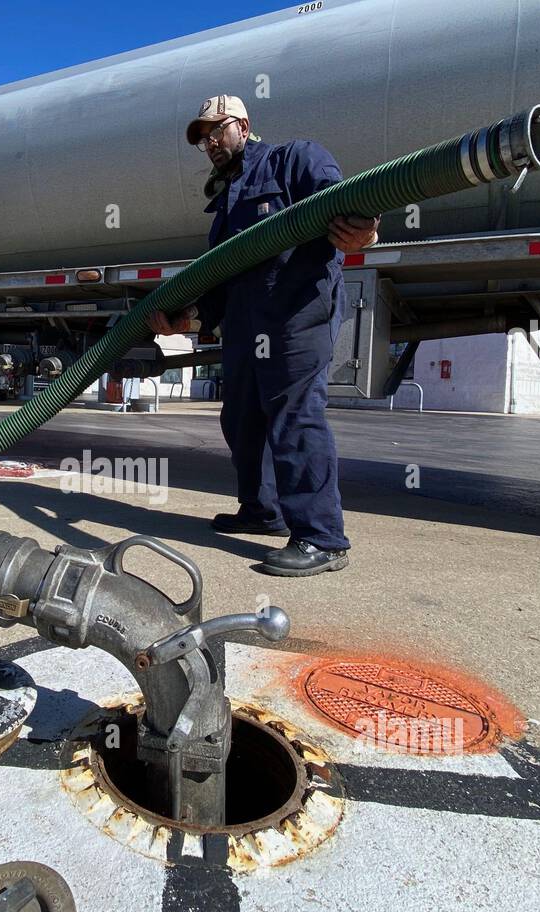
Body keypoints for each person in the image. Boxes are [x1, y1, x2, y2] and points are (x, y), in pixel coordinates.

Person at [150, 96, 379, 577]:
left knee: (295, 419)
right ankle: (262, 511)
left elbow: (349, 207)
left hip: (296, 317)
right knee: (240, 419)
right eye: (203, 138)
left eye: (217, 130)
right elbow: (221, 280)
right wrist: (186, 320)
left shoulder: (294, 159)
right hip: (245, 325)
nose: (210, 142)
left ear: (244, 125)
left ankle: (321, 537)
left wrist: (367, 232)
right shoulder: (225, 204)